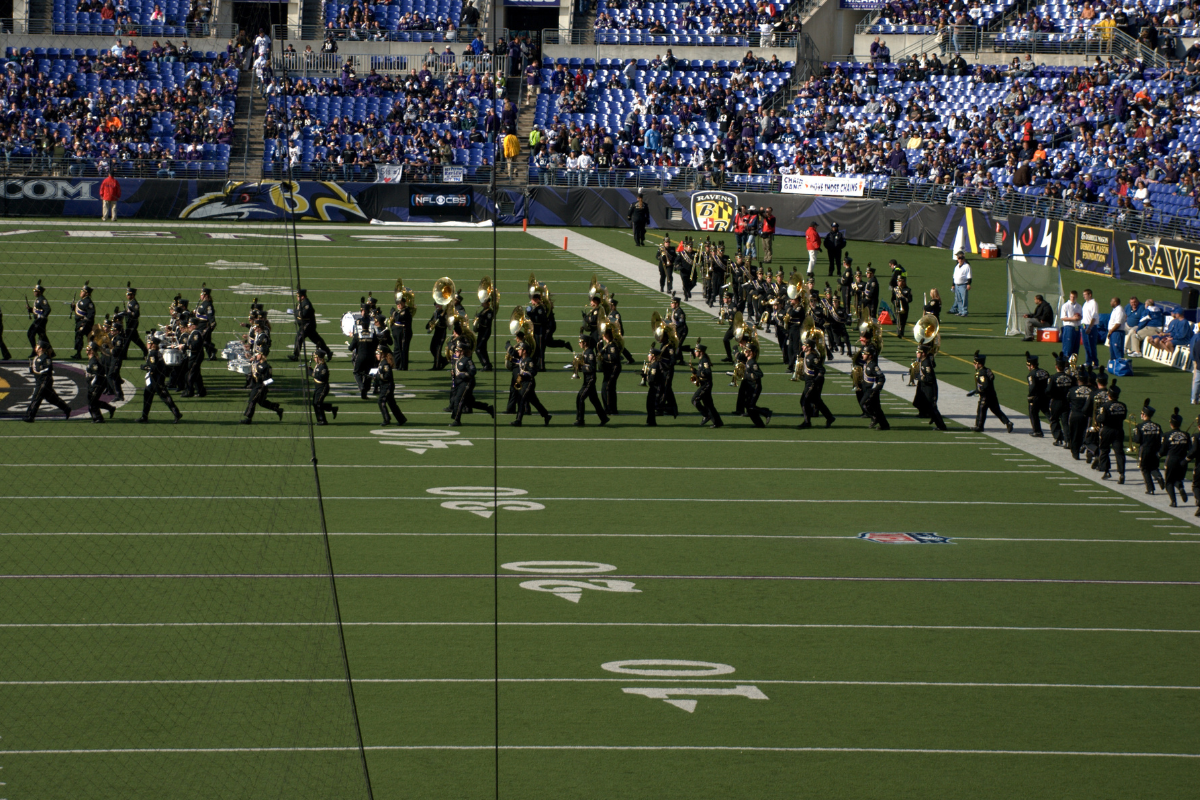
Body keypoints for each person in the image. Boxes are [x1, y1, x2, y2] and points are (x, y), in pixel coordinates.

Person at [23, 340, 72, 422]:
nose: (35, 347)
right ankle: (66, 408)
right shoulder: (37, 358)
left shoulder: (45, 358)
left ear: (41, 348)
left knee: (36, 398)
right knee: (52, 399)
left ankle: (30, 416)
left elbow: (48, 370)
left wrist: (40, 374)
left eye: (37, 346)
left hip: (44, 382)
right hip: (40, 381)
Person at [137, 337, 182, 423]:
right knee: (147, 397)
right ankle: (144, 416)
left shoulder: (153, 354)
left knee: (165, 397)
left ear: (153, 344)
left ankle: (177, 413)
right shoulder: (157, 353)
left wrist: (144, 367)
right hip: (154, 379)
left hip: (156, 380)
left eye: (149, 343)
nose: (148, 344)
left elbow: (153, 367)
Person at [967, 351, 1014, 433]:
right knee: (996, 410)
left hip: (986, 395)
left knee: (981, 410)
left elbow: (985, 385)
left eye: (975, 363)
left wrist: (976, 391)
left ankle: (979, 426)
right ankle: (1008, 422)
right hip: (992, 394)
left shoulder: (981, 373)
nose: (974, 365)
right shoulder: (987, 370)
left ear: (979, 363)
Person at [450, 342, 493, 425]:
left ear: (462, 351)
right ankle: (488, 408)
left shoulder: (467, 360)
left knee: (459, 400)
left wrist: (461, 375)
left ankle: (457, 420)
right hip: (460, 383)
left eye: (458, 351)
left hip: (466, 383)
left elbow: (473, 371)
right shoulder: (458, 359)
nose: (456, 352)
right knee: (469, 403)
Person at [511, 341, 551, 426]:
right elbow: (519, 363)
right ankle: (546, 415)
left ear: (524, 351)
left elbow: (533, 372)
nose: (518, 351)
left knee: (521, 399)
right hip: (524, 382)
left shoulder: (529, 360)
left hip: (528, 382)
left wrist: (523, 375)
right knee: (534, 402)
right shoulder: (522, 359)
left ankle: (518, 420)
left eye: (520, 350)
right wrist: (510, 359)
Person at [797, 339, 835, 428]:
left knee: (804, 401)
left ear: (809, 347)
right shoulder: (805, 355)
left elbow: (822, 370)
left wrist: (815, 381)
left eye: (805, 345)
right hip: (808, 381)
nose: (802, 347)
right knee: (816, 401)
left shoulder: (812, 358)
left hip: (812, 383)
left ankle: (807, 422)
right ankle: (830, 417)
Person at [1094, 383, 1127, 483]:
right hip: (1119, 430)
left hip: (1107, 430)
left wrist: (1097, 417)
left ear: (1109, 395)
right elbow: (1124, 417)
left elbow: (1102, 419)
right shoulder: (1122, 405)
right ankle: (1121, 473)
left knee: (1104, 450)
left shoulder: (1105, 406)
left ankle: (1106, 470)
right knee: (1119, 452)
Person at [573, 335, 609, 427]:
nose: (579, 343)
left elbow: (592, 367)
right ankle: (604, 418)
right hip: (587, 379)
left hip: (590, 379)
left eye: (581, 342)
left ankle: (580, 420)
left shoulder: (589, 353)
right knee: (594, 400)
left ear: (585, 343)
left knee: (580, 397)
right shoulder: (585, 352)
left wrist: (582, 366)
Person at [1131, 399, 1165, 495]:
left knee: (1145, 468)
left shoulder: (1139, 426)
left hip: (1145, 450)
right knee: (1153, 467)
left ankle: (1150, 489)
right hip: (1156, 449)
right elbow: (1162, 438)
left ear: (1144, 415)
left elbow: (1137, 440)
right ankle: (1158, 477)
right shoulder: (1157, 426)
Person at [242, 352, 283, 424]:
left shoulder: (267, 366)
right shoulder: (258, 364)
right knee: (261, 402)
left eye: (258, 354)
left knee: (252, 401)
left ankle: (248, 418)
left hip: (261, 387)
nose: (257, 356)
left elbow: (270, 380)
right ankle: (277, 408)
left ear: (262, 355)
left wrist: (262, 382)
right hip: (256, 386)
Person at [289, 289, 329, 361]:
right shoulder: (301, 303)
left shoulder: (306, 303)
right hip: (305, 325)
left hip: (307, 325)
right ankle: (328, 352)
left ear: (303, 296)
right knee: (316, 340)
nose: (297, 298)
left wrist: (296, 312)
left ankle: (295, 356)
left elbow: (304, 314)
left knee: (299, 338)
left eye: (298, 296)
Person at [912, 345, 946, 431]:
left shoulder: (926, 363)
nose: (917, 353)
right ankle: (933, 418)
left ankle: (941, 426)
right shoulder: (922, 361)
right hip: (924, 387)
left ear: (923, 353)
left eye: (918, 352)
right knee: (921, 403)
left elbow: (929, 378)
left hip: (929, 388)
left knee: (932, 407)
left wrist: (918, 377)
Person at [1160, 408, 1189, 506]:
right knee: (1178, 479)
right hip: (1183, 460)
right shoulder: (1186, 435)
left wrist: (1158, 455)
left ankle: (1173, 501)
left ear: (1171, 424)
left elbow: (1163, 450)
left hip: (1171, 460)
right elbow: (1190, 447)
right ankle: (1180, 487)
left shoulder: (1167, 435)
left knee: (1169, 482)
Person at [690, 341, 722, 428]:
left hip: (706, 384)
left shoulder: (704, 360)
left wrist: (698, 373)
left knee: (694, 400)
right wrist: (695, 372)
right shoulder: (701, 360)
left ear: (701, 352)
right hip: (704, 384)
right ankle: (718, 422)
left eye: (696, 351)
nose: (695, 352)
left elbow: (707, 372)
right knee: (709, 404)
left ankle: (706, 415)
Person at [84, 341, 116, 423]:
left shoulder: (94, 362)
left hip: (97, 385)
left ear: (92, 351)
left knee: (92, 403)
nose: (86, 349)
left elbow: (97, 376)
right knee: (93, 401)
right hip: (95, 384)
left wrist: (93, 386)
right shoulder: (92, 360)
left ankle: (98, 418)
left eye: (88, 348)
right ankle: (110, 408)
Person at [741, 346, 772, 428]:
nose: (745, 352)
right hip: (750, 386)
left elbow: (759, 374)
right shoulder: (748, 361)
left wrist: (746, 375)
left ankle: (766, 412)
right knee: (748, 406)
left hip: (755, 387)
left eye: (746, 351)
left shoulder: (753, 363)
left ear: (751, 352)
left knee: (750, 405)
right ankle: (759, 424)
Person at [859, 345, 888, 430]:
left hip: (871, 391)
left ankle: (875, 417)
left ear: (870, 356)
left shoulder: (873, 366)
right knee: (876, 408)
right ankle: (884, 425)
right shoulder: (866, 364)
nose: (863, 355)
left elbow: (881, 377)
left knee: (864, 404)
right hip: (867, 389)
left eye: (865, 354)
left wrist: (876, 389)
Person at [309, 351, 337, 425]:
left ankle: (323, 420)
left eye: (316, 357)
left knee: (318, 403)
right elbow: (315, 374)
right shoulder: (318, 365)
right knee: (315, 403)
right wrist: (310, 370)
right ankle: (331, 408)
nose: (314, 359)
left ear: (319, 358)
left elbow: (321, 377)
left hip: (323, 387)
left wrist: (311, 373)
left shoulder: (323, 367)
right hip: (318, 387)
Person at [1025, 352, 1049, 437]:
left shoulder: (1031, 374)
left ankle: (1037, 431)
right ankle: (1057, 430)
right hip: (1046, 396)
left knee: (1033, 413)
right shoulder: (1044, 372)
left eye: (1028, 365)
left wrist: (1030, 396)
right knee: (1048, 413)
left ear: (1031, 365)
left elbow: (1032, 386)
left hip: (1036, 397)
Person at [70, 281, 96, 359]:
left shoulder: (88, 302)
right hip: (80, 322)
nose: (81, 292)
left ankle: (80, 353)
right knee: (88, 338)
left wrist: (85, 322)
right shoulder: (82, 300)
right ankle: (88, 352)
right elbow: (80, 310)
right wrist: (73, 307)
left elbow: (91, 313)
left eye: (83, 291)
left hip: (84, 323)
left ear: (87, 293)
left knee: (80, 337)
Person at [390, 295, 413, 370]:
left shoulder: (405, 311)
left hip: (404, 333)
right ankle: (397, 364)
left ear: (404, 303)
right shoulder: (399, 311)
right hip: (398, 333)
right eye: (397, 303)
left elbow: (398, 318)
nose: (398, 305)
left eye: (400, 303)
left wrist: (393, 313)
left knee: (403, 350)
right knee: (397, 349)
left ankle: (403, 366)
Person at [1059, 290, 1082, 360]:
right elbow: (1063, 318)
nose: (1072, 298)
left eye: (1074, 297)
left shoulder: (1079, 306)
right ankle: (1065, 363)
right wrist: (1073, 318)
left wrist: (1078, 318)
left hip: (1077, 327)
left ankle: (1073, 364)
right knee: (1068, 347)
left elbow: (1081, 316)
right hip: (1068, 327)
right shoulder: (1065, 305)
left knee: (1076, 347)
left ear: (1076, 297)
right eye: (1071, 296)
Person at [1080, 289, 1100, 368]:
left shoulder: (1093, 303)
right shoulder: (1085, 304)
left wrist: (1090, 327)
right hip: (1084, 325)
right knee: (1086, 345)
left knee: (1091, 345)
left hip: (1091, 326)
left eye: (1085, 294)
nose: (1083, 296)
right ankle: (1088, 362)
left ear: (1090, 295)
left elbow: (1094, 317)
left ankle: (1095, 363)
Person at [474, 294, 494, 371]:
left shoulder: (489, 311)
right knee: (483, 349)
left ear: (487, 302)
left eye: (484, 302)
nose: (482, 303)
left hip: (485, 332)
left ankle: (486, 364)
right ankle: (488, 365)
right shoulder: (483, 310)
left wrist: (480, 318)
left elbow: (487, 323)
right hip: (481, 332)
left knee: (478, 348)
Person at [948, 251, 971, 316]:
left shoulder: (967, 266)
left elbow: (969, 276)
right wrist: (953, 285)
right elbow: (954, 276)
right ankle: (960, 311)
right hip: (956, 284)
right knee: (958, 299)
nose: (959, 260)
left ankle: (964, 312)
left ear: (963, 259)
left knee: (964, 299)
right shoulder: (957, 266)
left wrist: (969, 284)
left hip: (963, 284)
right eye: (958, 258)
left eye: (961, 258)